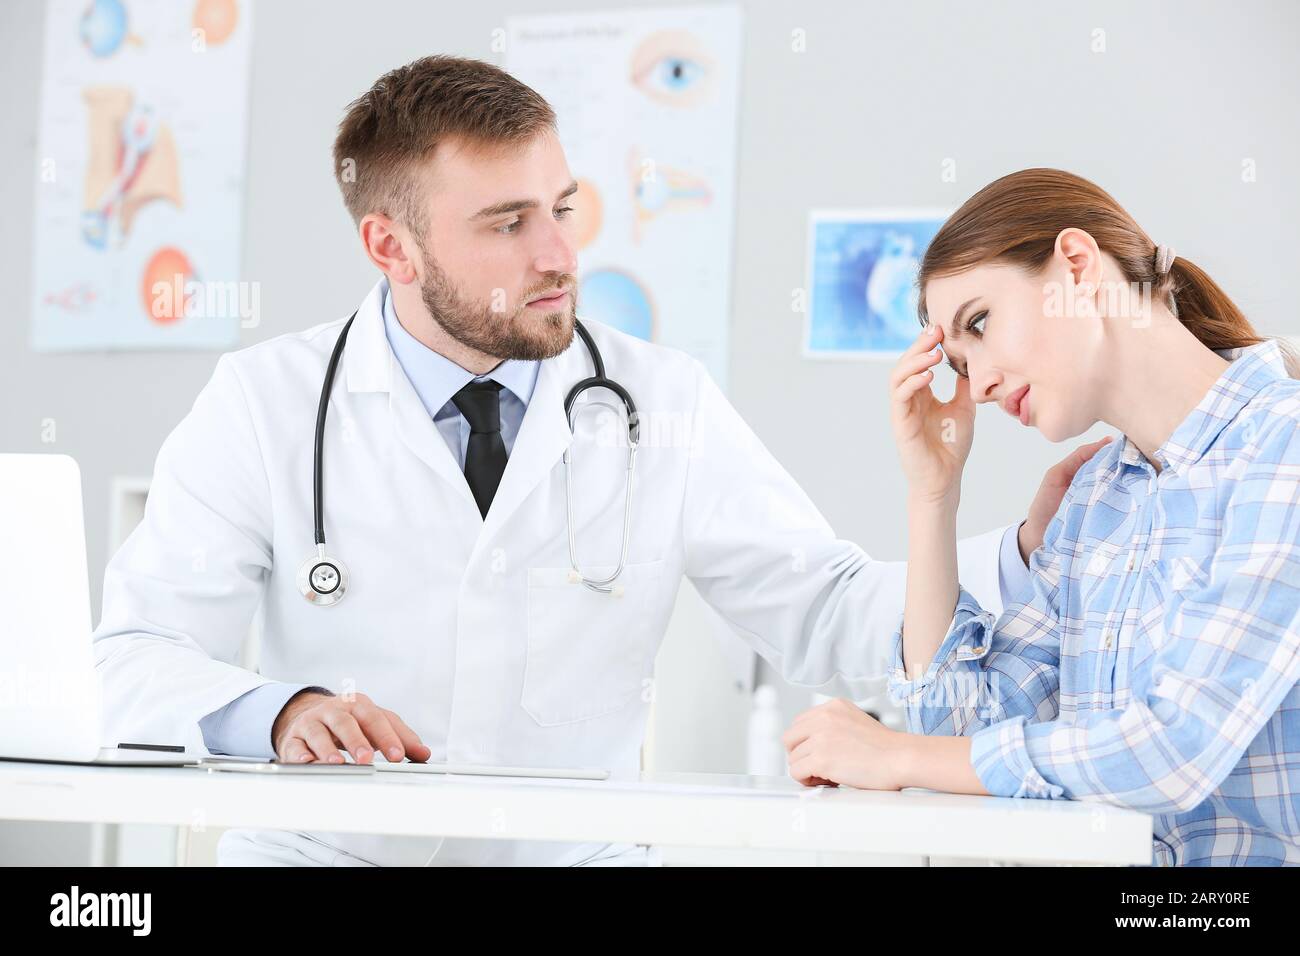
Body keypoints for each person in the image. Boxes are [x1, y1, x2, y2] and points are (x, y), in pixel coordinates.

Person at [92, 61, 1079, 866]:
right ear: (390, 246)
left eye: (561, 206)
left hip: (574, 858)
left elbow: (828, 612)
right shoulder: (265, 402)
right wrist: (277, 710)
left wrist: (1007, 539)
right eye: (507, 222)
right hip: (323, 855)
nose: (560, 252)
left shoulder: (663, 400)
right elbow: (136, 657)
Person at [782, 168, 1300, 866]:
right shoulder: (1096, 497)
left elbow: (1174, 749)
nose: (983, 386)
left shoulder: (1282, 443)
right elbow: (963, 723)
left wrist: (897, 754)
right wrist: (933, 497)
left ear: (1077, 267)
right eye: (962, 366)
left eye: (981, 324)